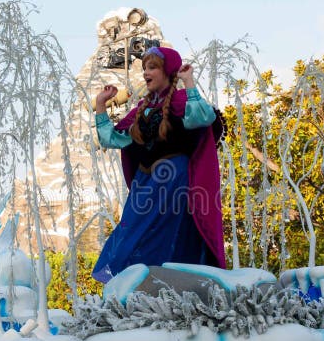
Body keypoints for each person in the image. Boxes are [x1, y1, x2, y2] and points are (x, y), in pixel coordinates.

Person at [91, 46, 226, 282]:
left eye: (152, 67)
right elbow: (112, 139)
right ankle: (131, 284)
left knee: (167, 237)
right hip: (144, 186)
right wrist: (101, 104)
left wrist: (189, 81)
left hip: (174, 182)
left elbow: (202, 118)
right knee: (128, 235)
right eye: (144, 68)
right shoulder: (141, 110)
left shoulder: (182, 100)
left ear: (168, 71)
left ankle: (163, 287)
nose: (145, 73)